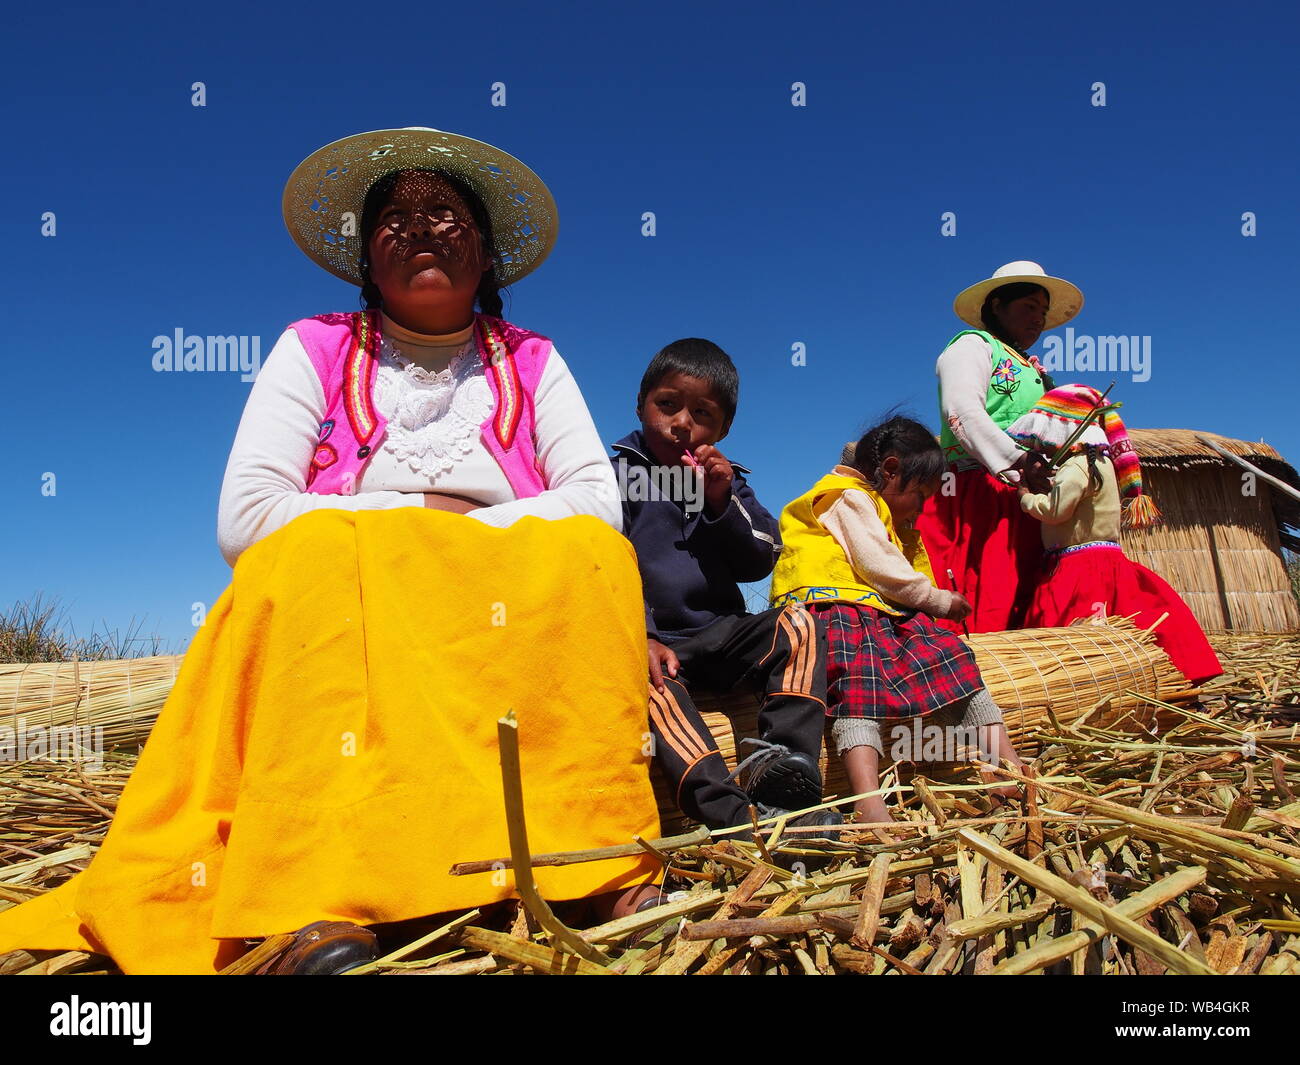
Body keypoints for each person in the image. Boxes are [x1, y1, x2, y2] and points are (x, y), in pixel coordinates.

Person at [0, 127, 662, 976]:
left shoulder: (532, 359)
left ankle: (593, 863)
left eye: (448, 214)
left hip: (505, 605)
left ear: (489, 252)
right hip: (355, 603)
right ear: (365, 257)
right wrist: (413, 515)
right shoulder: (312, 346)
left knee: (595, 557)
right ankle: (304, 898)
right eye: (396, 217)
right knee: (307, 550)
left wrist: (450, 538)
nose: (422, 228)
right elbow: (247, 516)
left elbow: (596, 501)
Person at [611, 339, 841, 833]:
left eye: (702, 414)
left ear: (723, 429)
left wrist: (720, 501)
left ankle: (785, 768)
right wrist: (641, 634)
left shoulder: (727, 482)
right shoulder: (616, 478)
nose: (681, 423)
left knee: (799, 623)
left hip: (721, 633)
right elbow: (605, 561)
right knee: (651, 690)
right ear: (640, 403)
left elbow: (760, 556)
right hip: (658, 644)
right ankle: (736, 817)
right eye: (667, 404)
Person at [771, 415, 1025, 824]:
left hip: (872, 611)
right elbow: (879, 567)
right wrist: (937, 601)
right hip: (832, 611)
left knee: (949, 658)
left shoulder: (875, 507)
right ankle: (869, 800)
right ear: (890, 471)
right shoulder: (846, 497)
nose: (922, 507)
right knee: (859, 688)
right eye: (921, 494)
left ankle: (1007, 767)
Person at [1008, 385, 1223, 685]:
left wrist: (1026, 498)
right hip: (1109, 561)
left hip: (1077, 567)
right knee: (1131, 619)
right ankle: (1159, 677)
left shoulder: (1076, 466)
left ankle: (1076, 686)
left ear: (1062, 432)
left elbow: (1057, 510)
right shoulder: (1103, 463)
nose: (1042, 449)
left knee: (1071, 629)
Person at [916, 261, 1084, 633]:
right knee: (985, 594)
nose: (1038, 318)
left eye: (1042, 311)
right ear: (996, 306)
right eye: (1028, 306)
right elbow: (961, 411)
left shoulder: (1039, 373)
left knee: (1028, 595)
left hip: (1028, 498)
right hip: (978, 494)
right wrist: (1018, 461)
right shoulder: (972, 345)